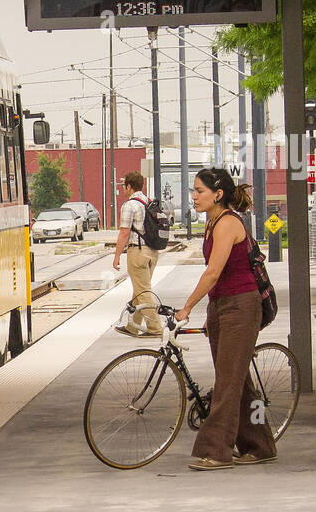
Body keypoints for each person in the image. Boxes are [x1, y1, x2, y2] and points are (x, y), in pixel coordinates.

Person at [174, 168, 278, 471]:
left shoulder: (228, 223)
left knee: (227, 385)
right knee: (239, 383)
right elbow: (217, 279)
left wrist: (187, 307)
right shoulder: (212, 223)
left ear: (218, 194)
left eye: (200, 191)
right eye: (193, 191)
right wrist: (211, 312)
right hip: (222, 307)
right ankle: (260, 446)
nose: (194, 197)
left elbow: (213, 272)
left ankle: (217, 451)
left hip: (242, 307)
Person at [113, 171, 161, 336]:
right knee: (139, 289)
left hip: (138, 251)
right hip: (153, 252)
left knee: (143, 291)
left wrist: (117, 255)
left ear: (129, 186)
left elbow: (124, 233)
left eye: (124, 186)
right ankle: (132, 326)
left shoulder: (129, 205)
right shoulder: (149, 202)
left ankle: (155, 328)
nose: (124, 190)